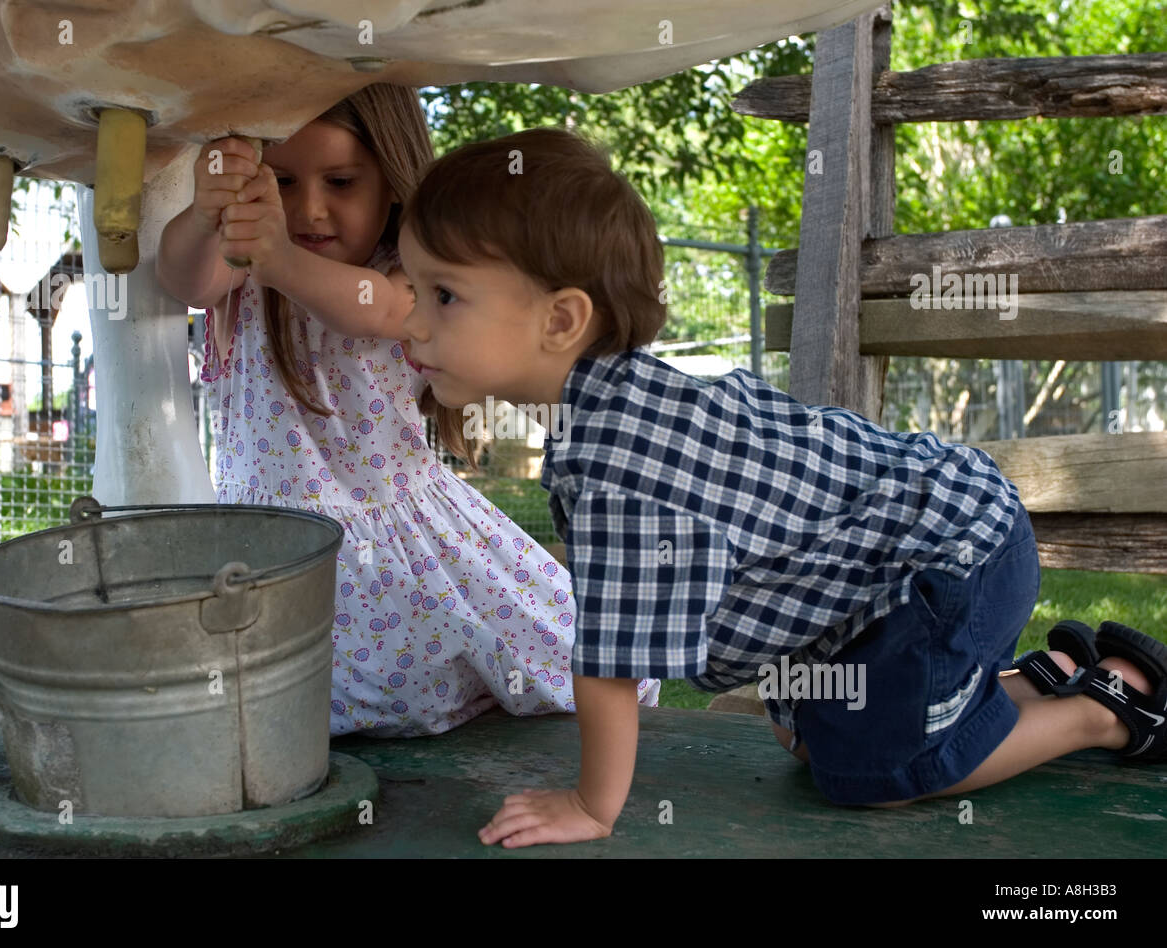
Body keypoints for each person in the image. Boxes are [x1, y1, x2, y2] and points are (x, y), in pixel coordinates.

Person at [393, 126, 1167, 849]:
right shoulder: (616, 403)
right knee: (803, 732)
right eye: (412, 288)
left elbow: (612, 664)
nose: (411, 323)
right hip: (912, 562)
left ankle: (1102, 711)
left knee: (875, 774)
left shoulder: (619, 465)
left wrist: (592, 805)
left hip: (948, 564)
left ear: (561, 320)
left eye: (444, 296)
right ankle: (1039, 681)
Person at [157, 88, 658, 737]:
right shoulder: (244, 270)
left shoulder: (407, 275)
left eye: (340, 181)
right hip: (266, 533)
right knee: (280, 699)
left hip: (390, 521)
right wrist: (206, 214)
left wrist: (279, 257)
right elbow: (182, 281)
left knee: (539, 649)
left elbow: (375, 310)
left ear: (390, 184)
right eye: (281, 180)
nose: (309, 207)